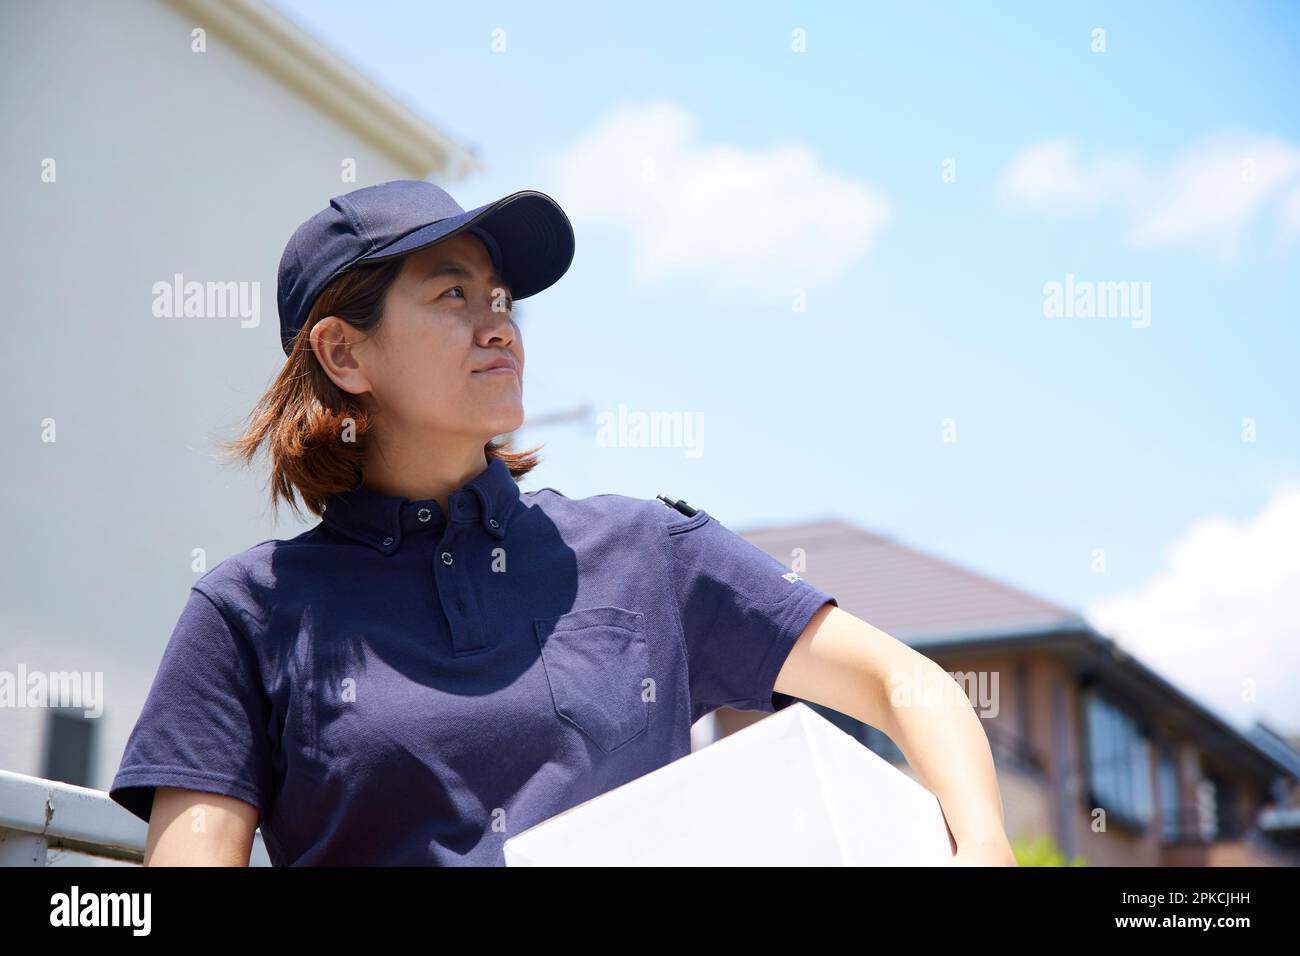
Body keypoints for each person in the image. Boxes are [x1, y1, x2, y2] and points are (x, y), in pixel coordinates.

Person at [109, 180, 1016, 866]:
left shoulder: (648, 552)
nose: (498, 324)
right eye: (452, 295)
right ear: (345, 354)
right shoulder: (247, 613)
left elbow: (913, 686)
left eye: (501, 298)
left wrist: (985, 853)